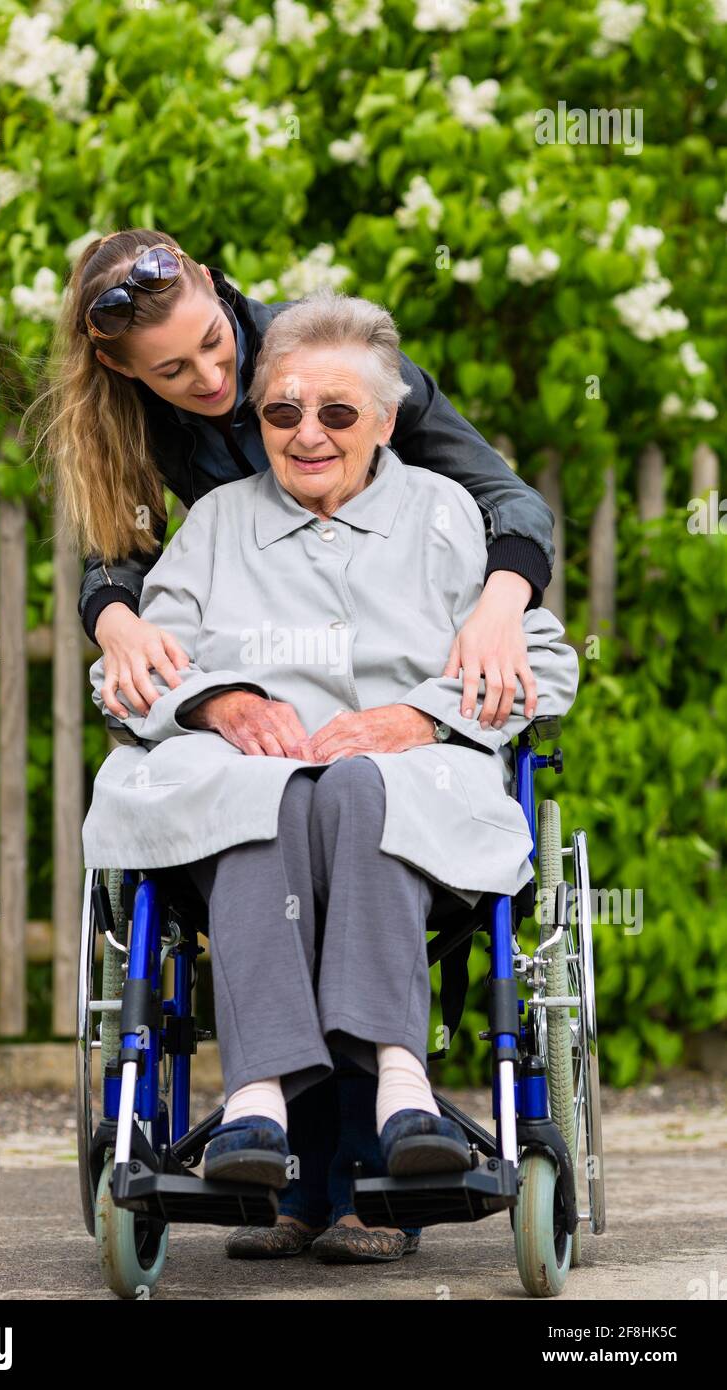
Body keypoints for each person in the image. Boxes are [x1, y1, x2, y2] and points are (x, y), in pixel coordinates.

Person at [27, 227, 557, 1262]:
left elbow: (509, 506)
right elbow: (123, 584)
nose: (222, 385)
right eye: (182, 373)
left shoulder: (419, 483)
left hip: (391, 756)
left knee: (356, 788)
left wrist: (462, 660)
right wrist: (180, 669)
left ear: (383, 415)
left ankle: (364, 1151)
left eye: (221, 350)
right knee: (276, 798)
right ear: (122, 369)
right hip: (261, 764)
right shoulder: (210, 513)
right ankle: (273, 1133)